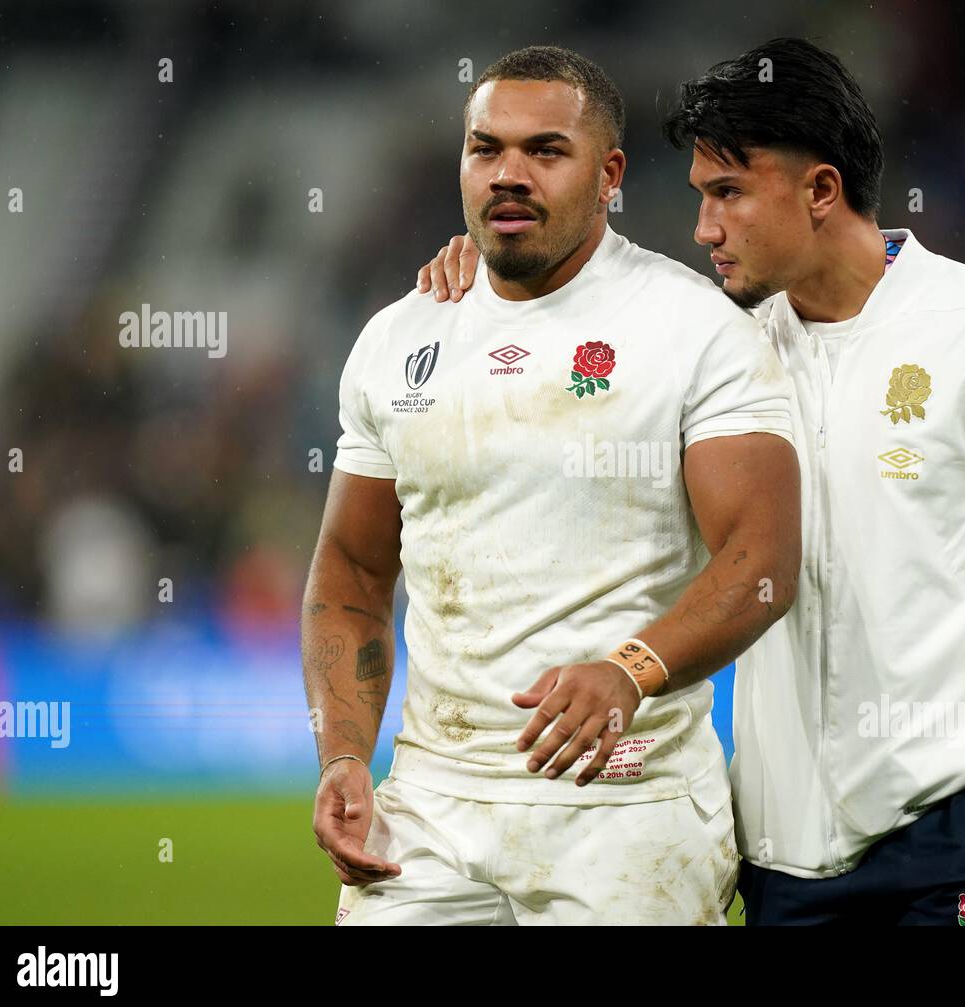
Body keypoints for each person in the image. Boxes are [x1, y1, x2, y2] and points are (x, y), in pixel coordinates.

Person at [416, 37, 965, 926]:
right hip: (780, 860)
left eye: (728, 194)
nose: (703, 229)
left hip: (959, 829)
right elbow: (567, 333)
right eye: (699, 197)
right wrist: (488, 267)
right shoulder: (721, 351)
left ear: (821, 191)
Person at [302, 45, 801, 926]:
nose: (508, 174)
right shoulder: (399, 336)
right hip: (430, 808)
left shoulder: (694, 328)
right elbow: (349, 572)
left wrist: (628, 670)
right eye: (485, 149)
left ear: (609, 173)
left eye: (544, 151)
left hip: (626, 806)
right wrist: (345, 755)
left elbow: (763, 560)